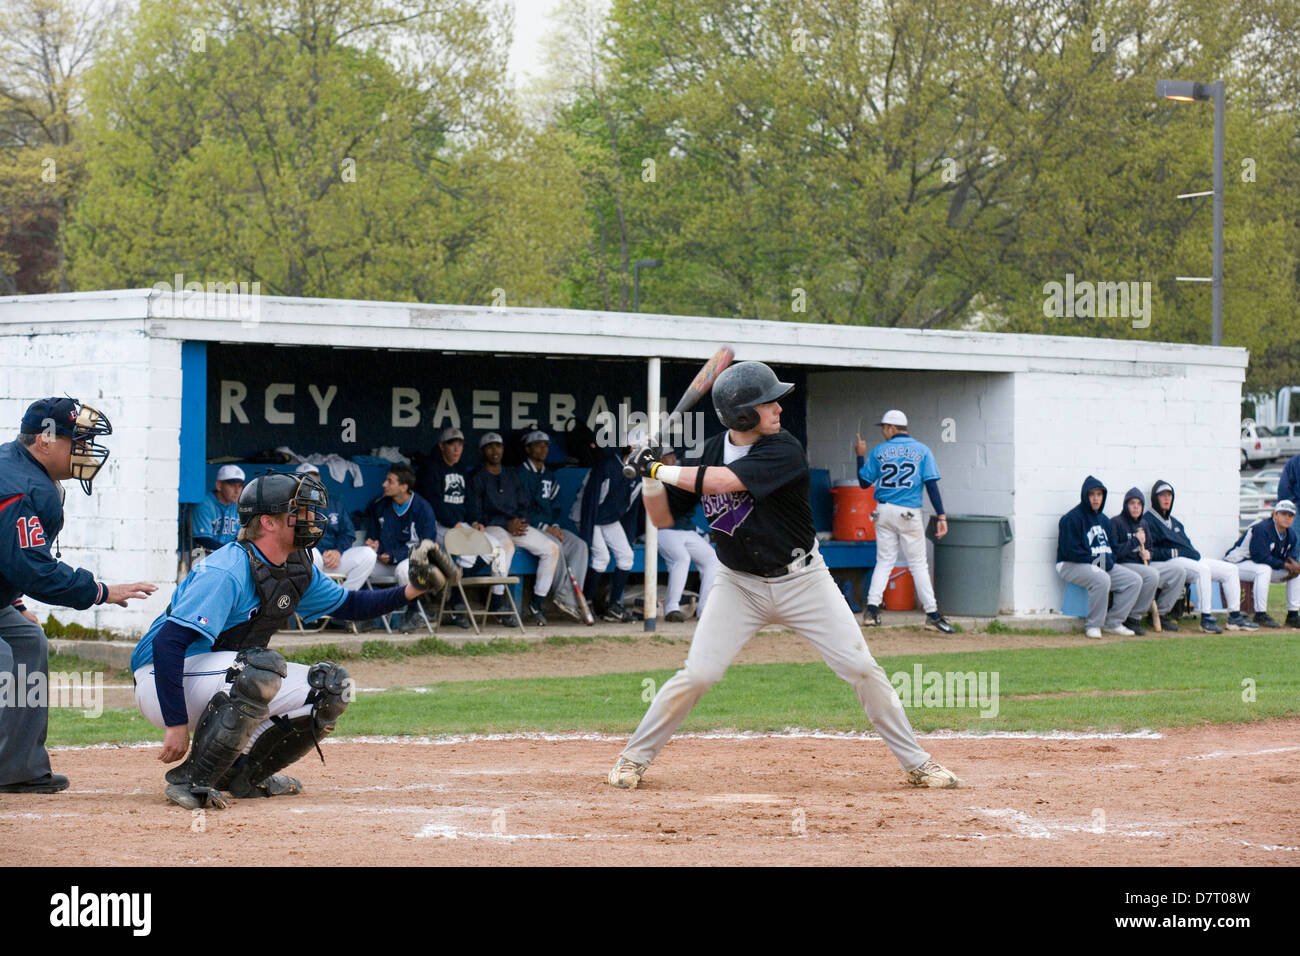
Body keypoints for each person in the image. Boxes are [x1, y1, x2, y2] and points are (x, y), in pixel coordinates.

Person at [608, 361, 959, 791]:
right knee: (698, 674)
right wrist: (648, 481)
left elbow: (720, 484)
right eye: (766, 402)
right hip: (737, 585)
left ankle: (916, 762)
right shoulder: (713, 451)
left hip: (803, 581)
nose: (777, 408)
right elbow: (662, 518)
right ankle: (632, 759)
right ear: (741, 416)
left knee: (862, 668)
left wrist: (658, 468)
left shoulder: (784, 449)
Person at [131, 471, 456, 809]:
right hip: (161, 679)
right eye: (299, 511)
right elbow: (167, 644)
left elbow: (350, 604)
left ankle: (245, 775)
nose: (311, 519)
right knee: (261, 668)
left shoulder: (295, 566)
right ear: (268, 522)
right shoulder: (226, 570)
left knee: (332, 686)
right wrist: (176, 724)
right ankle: (193, 778)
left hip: (216, 676)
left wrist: (413, 589)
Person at [0, 397, 156, 794]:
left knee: (27, 641)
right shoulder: (15, 483)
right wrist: (100, 591)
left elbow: (8, 558)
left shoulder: (27, 471)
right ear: (46, 441)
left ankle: (17, 769)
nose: (85, 452)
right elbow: (33, 568)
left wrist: (16, 602)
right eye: (77, 441)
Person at [853, 411, 955, 633]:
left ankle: (871, 610)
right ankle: (932, 614)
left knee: (884, 561)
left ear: (892, 428)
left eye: (884, 427)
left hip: (884, 510)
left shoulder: (879, 451)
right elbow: (931, 485)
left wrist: (860, 455)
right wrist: (941, 515)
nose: (882, 431)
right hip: (909, 512)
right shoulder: (922, 450)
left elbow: (863, 483)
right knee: (918, 563)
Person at [467, 432, 559, 627]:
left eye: (498, 446)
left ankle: (536, 604)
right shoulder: (477, 476)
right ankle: (498, 604)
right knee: (505, 547)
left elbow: (524, 504)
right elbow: (476, 513)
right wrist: (505, 523)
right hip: (491, 527)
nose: (495, 450)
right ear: (482, 451)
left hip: (515, 525)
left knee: (551, 549)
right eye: (490, 446)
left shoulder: (511, 474)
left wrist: (518, 520)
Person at [1145, 479, 1256, 633]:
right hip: (1170, 561)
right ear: (1155, 498)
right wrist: (1175, 552)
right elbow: (1151, 552)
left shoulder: (1175, 522)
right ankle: (1206, 618)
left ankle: (1234, 616)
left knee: (1230, 570)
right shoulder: (1148, 520)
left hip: (1188, 558)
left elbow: (1190, 549)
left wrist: (1185, 552)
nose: (1166, 499)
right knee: (1202, 570)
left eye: (1169, 495)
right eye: (1162, 495)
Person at [1055, 476, 1144, 639]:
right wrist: (1100, 561)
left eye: (1099, 495)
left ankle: (1113, 622)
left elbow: (1113, 550)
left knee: (1134, 580)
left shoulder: (1104, 520)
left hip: (1099, 564)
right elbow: (1070, 551)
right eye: (1092, 494)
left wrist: (1106, 560)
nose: (1096, 498)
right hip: (1070, 564)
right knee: (1102, 579)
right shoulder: (1071, 518)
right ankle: (1094, 625)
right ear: (1085, 495)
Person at [517, 430, 586, 621]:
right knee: (555, 547)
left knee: (580, 546)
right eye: (538, 444)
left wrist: (554, 526)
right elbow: (520, 510)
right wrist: (547, 528)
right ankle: (564, 596)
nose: (543, 448)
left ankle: (570, 599)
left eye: (546, 445)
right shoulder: (521, 474)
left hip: (549, 527)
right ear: (528, 449)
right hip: (529, 528)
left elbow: (555, 507)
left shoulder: (548, 474)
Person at [571, 438, 640, 623]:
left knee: (626, 556)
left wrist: (631, 535)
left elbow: (630, 508)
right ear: (631, 449)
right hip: (588, 515)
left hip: (608, 518)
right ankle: (587, 602)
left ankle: (614, 606)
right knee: (602, 557)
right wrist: (587, 533)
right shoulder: (607, 466)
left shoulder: (639, 473)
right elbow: (590, 502)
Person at [363, 464, 438, 631]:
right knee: (362, 565)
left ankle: (413, 611)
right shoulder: (380, 505)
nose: (384, 484)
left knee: (404, 572)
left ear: (404, 487)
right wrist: (374, 546)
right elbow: (373, 536)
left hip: (414, 561)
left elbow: (427, 546)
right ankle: (365, 615)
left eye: (390, 481)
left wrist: (394, 555)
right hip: (386, 560)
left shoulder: (422, 508)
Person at [414, 426, 474, 628]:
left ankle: (454, 597)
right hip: (438, 525)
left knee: (487, 551)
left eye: (460, 444)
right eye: (451, 444)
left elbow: (469, 500)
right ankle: (454, 603)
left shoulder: (461, 469)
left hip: (458, 524)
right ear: (442, 446)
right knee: (457, 550)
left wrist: (475, 520)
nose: (456, 449)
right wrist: (453, 522)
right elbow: (433, 502)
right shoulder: (430, 468)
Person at [1108, 487, 1187, 633]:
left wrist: (1149, 554)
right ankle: (1134, 617)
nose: (1136, 507)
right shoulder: (1116, 522)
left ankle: (1161, 614)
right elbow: (1114, 553)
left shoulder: (1143, 524)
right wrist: (1134, 542)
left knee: (1179, 572)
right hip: (1125, 564)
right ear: (1126, 505)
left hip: (1144, 564)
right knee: (1151, 574)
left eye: (1139, 503)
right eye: (1132, 503)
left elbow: (1150, 547)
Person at [294, 463, 376, 591]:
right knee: (310, 552)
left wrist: (338, 551)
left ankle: (343, 600)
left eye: (316, 478)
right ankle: (317, 601)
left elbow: (348, 533)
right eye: (308, 479)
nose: (313, 483)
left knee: (368, 554)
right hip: (310, 561)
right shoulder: (292, 505)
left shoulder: (333, 503)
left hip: (334, 559)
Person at [659, 449, 718, 622]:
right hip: (661, 531)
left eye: (671, 455)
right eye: (665, 456)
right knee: (682, 559)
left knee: (712, 559)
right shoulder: (653, 478)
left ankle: (705, 609)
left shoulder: (681, 475)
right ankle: (671, 609)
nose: (671, 458)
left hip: (686, 531)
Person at [1224, 499, 1300, 628]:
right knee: (1263, 569)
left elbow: (1291, 556)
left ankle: (1292, 615)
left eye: (1290, 515)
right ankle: (1260, 614)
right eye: (1283, 514)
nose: (1287, 518)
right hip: (1236, 564)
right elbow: (1259, 556)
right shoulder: (1262, 528)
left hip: (1258, 566)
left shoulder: (1291, 534)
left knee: (1296, 573)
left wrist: (1294, 566)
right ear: (1275, 515)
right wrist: (1285, 565)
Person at [191, 464, 245, 553]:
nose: (237, 491)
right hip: (198, 554)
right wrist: (231, 552)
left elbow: (241, 537)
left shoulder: (238, 506)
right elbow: (202, 539)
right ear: (219, 485)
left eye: (240, 486)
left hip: (224, 555)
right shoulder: (205, 504)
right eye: (232, 485)